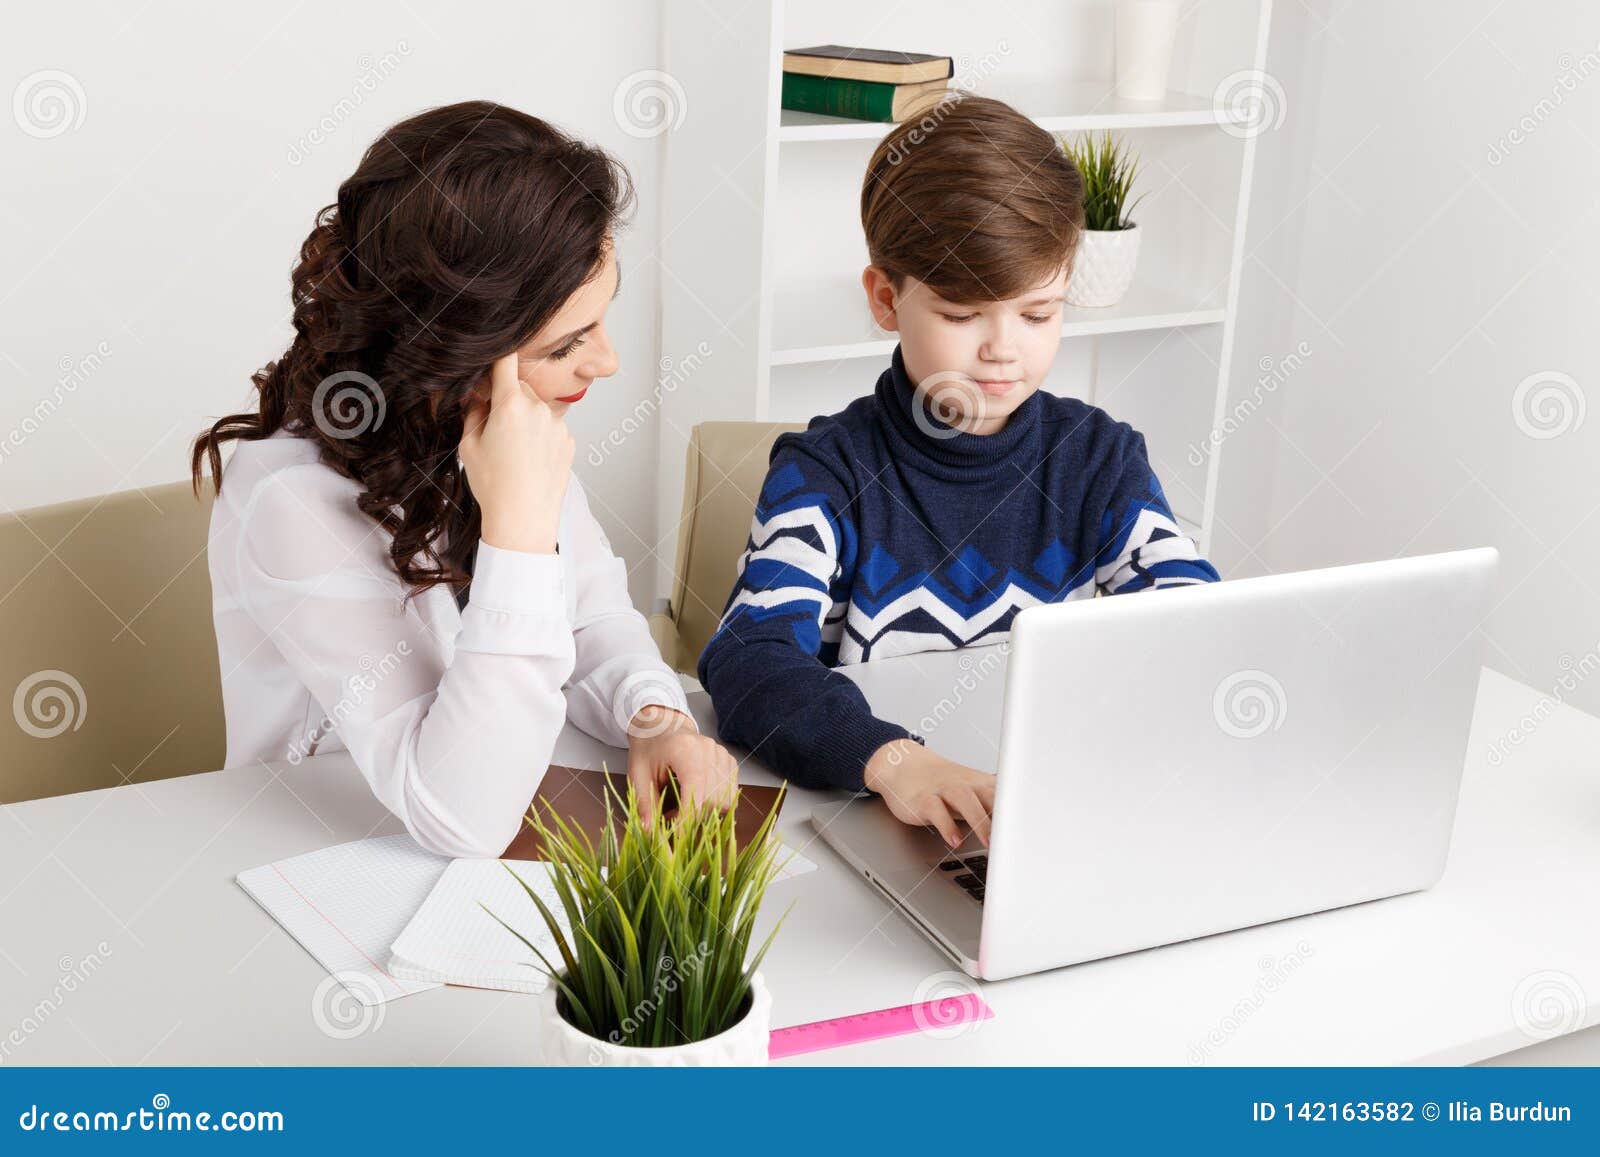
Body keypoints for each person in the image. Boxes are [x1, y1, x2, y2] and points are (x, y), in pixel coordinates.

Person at [193, 101, 737, 859]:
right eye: (567, 344)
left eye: (601, 321)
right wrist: (518, 533)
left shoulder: (492, 426)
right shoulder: (293, 502)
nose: (607, 362)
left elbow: (590, 620)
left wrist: (653, 715)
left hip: (489, 843)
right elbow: (462, 816)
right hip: (325, 863)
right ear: (456, 349)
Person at [698, 94, 1221, 849]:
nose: (1003, 349)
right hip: (874, 813)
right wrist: (896, 760)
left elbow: (1195, 625)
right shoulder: (824, 475)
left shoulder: (1100, 461)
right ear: (886, 299)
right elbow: (749, 662)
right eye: (962, 314)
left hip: (1042, 816)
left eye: (1038, 314)